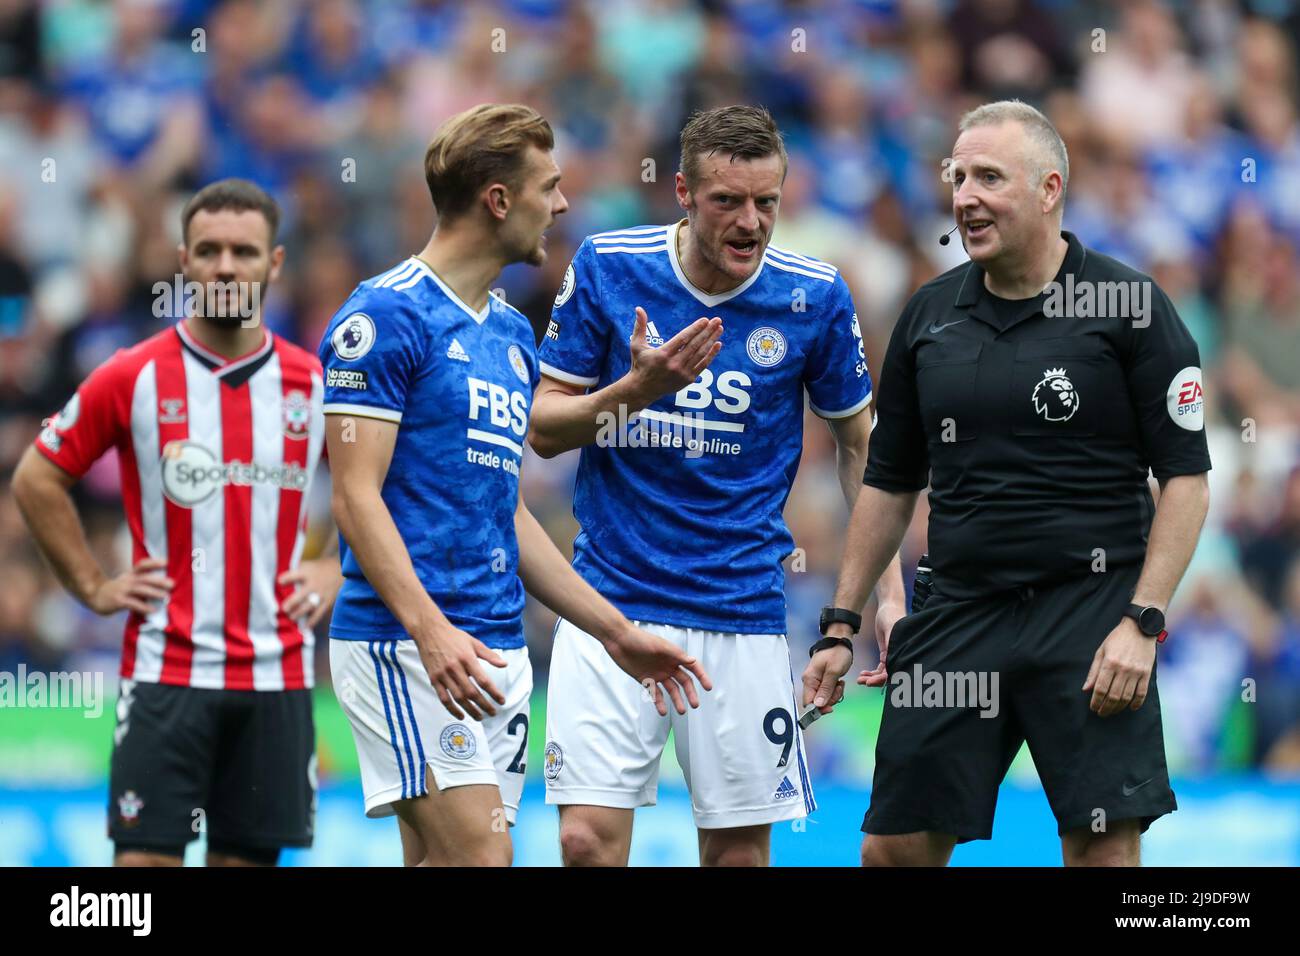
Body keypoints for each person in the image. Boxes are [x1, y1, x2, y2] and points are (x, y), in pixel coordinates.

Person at [821, 100, 1212, 867]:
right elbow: (890, 479)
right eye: (958, 176)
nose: (964, 194)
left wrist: (1144, 622)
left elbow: (1187, 481)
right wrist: (842, 618)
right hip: (961, 608)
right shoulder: (929, 316)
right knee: (891, 851)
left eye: (989, 177)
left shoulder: (1128, 306)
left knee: (1101, 851)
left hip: (1092, 613)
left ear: (1049, 189)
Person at [320, 103, 710, 868]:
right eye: (549, 186)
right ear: (498, 199)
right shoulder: (386, 316)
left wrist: (615, 630)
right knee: (484, 859)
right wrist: (431, 632)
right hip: (405, 644)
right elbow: (354, 497)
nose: (561, 205)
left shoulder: (507, 333)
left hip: (495, 653)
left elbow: (507, 513)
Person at [529, 104, 906, 867]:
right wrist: (637, 389)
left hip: (741, 609)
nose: (751, 221)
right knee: (583, 844)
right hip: (611, 600)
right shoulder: (608, 265)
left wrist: (885, 598)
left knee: (737, 855)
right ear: (682, 192)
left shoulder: (815, 295)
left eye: (766, 201)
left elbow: (865, 450)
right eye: (727, 201)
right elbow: (542, 426)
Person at [12, 178, 340, 867]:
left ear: (274, 264)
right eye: (210, 250)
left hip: (275, 681)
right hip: (167, 674)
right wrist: (94, 587)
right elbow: (38, 477)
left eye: (244, 252)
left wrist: (334, 564)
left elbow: (378, 485)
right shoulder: (133, 375)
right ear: (183, 262)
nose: (226, 266)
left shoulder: (316, 384)